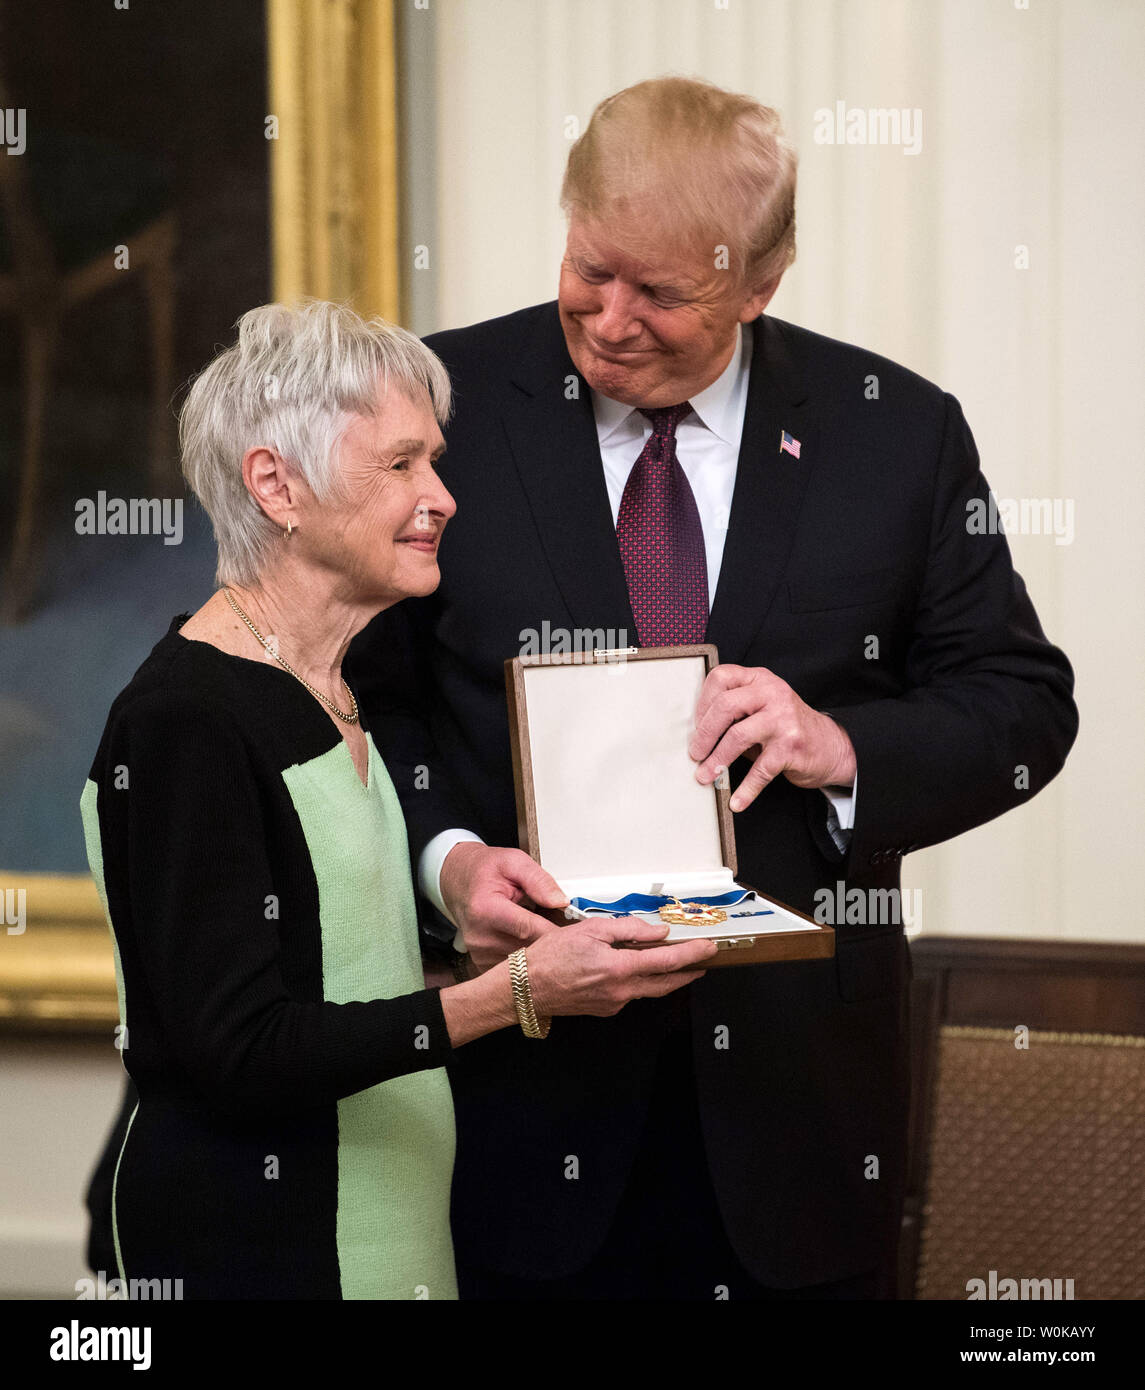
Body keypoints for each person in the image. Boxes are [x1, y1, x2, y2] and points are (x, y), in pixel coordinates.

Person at [346, 77, 1079, 1299]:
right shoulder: (439, 408)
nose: (610, 318)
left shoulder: (892, 432)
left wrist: (839, 744)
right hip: (519, 1095)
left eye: (663, 292)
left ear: (760, 283)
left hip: (797, 1102)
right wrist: (448, 863)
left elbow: (1019, 701)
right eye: (591, 268)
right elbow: (358, 694)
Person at [79, 300, 716, 1300]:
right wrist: (513, 995)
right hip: (261, 1250)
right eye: (402, 464)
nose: (444, 497)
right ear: (275, 484)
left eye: (436, 460)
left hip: (392, 1235)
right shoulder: (187, 717)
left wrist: (471, 928)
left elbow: (322, 960)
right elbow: (239, 1050)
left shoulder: (331, 687)